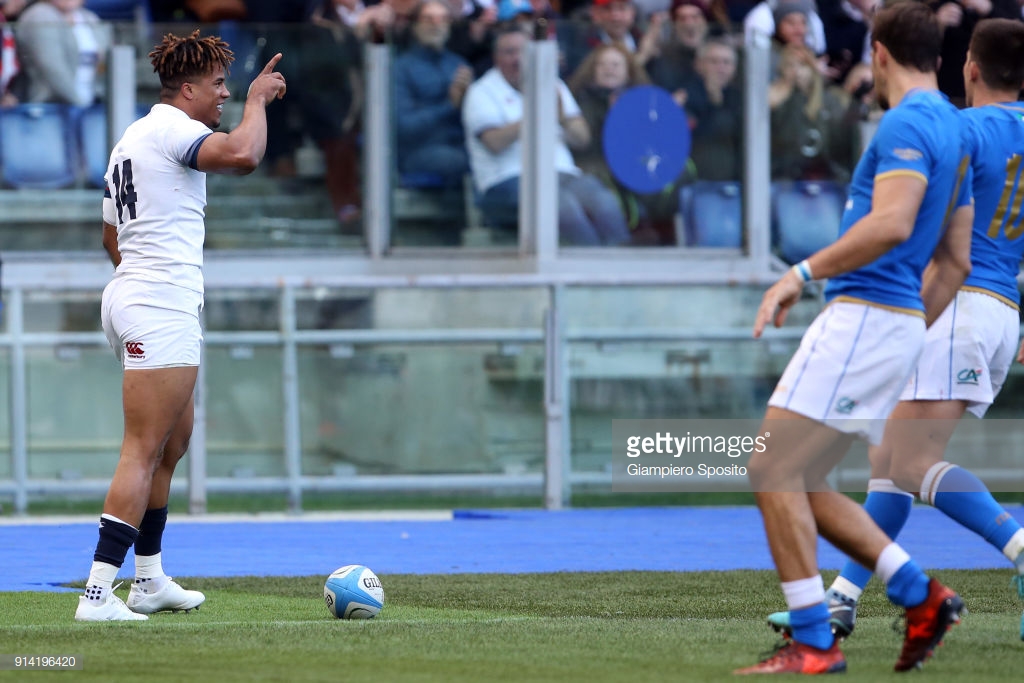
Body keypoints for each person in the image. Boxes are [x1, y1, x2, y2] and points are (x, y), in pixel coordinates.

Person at [767, 17, 1024, 643]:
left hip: (958, 301)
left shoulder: (962, 127)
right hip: (1000, 306)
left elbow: (914, 218)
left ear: (969, 67)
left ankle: (1018, 546)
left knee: (909, 462)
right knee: (890, 461)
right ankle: (843, 597)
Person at [738, 1, 973, 674]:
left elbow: (892, 223)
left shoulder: (906, 121)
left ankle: (815, 641)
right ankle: (920, 596)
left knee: (770, 468)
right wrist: (907, 326)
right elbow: (956, 260)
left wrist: (800, 273)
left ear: (879, 54)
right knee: (802, 476)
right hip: (894, 319)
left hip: (866, 312)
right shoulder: (954, 129)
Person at [75, 31, 286, 622]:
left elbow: (110, 237)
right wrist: (258, 100)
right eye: (218, 84)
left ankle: (148, 580)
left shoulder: (132, 139)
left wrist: (140, 289)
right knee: (143, 449)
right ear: (187, 90)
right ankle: (98, 593)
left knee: (172, 443)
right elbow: (243, 155)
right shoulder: (171, 129)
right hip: (158, 301)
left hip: (141, 295)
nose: (224, 94)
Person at [462, 25, 631, 245]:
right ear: (496, 58)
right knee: (564, 206)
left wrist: (563, 119)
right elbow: (493, 142)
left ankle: (617, 262)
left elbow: (582, 139)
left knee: (605, 202)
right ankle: (592, 265)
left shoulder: (553, 85)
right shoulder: (482, 91)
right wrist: (536, 112)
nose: (517, 59)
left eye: (523, 51)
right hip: (507, 180)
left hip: (562, 174)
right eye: (509, 52)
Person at [394, 0, 473, 183]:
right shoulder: (401, 68)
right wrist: (450, 105)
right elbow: (404, 127)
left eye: (443, 19)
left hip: (460, 144)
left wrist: (469, 98)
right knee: (464, 160)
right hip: (418, 150)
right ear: (414, 26)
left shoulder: (458, 64)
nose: (436, 25)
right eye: (428, 19)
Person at [15, 0, 110, 108]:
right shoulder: (40, 15)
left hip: (92, 103)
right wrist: (79, 103)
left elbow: (107, 58)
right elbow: (52, 67)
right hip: (51, 106)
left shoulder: (89, 17)